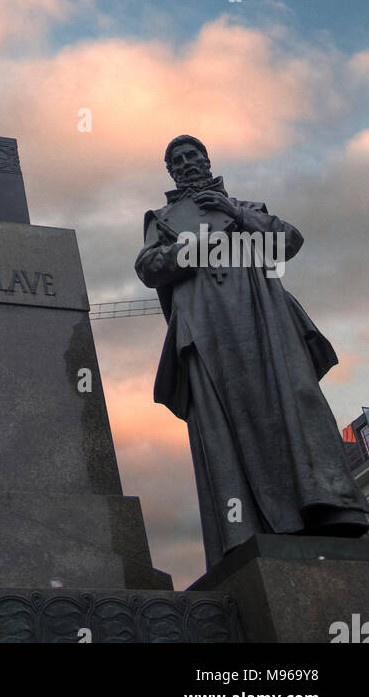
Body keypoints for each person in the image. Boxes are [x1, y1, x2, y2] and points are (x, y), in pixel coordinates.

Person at [135, 134, 369, 571]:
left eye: (193, 155)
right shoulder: (161, 218)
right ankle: (249, 531)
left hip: (264, 320)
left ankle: (326, 506)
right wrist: (195, 247)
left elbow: (287, 242)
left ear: (207, 160)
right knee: (224, 423)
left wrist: (234, 213)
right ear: (170, 171)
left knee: (295, 405)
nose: (187, 163)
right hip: (206, 326)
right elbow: (149, 268)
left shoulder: (247, 209)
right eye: (177, 160)